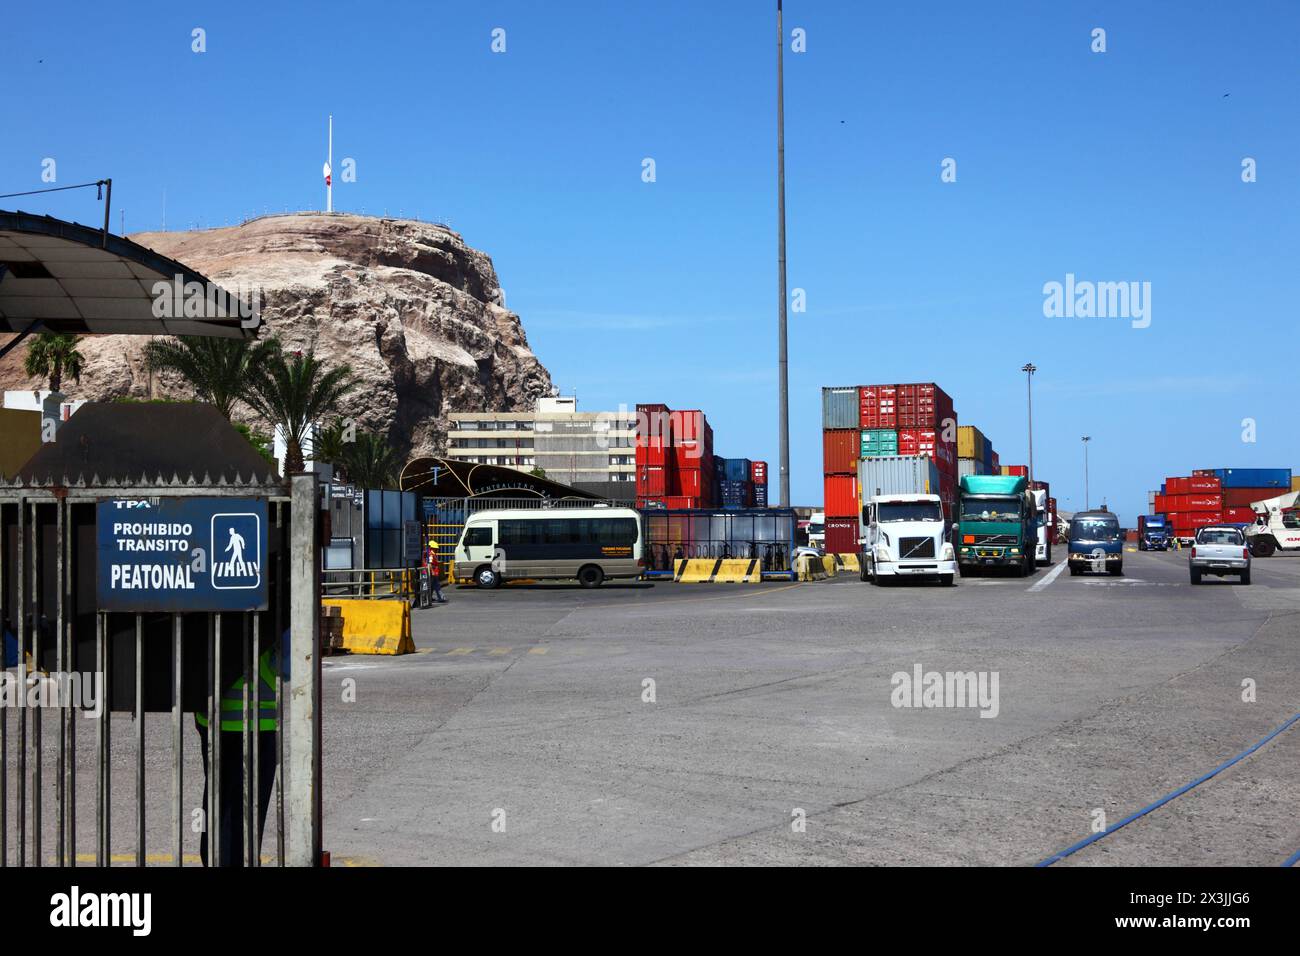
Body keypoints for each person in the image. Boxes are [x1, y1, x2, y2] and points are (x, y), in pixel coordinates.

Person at [196, 631, 282, 867]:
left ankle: (214, 859)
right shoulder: (271, 597)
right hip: (258, 718)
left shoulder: (204, 598)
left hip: (212, 716)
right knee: (247, 816)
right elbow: (288, 665)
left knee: (218, 804)